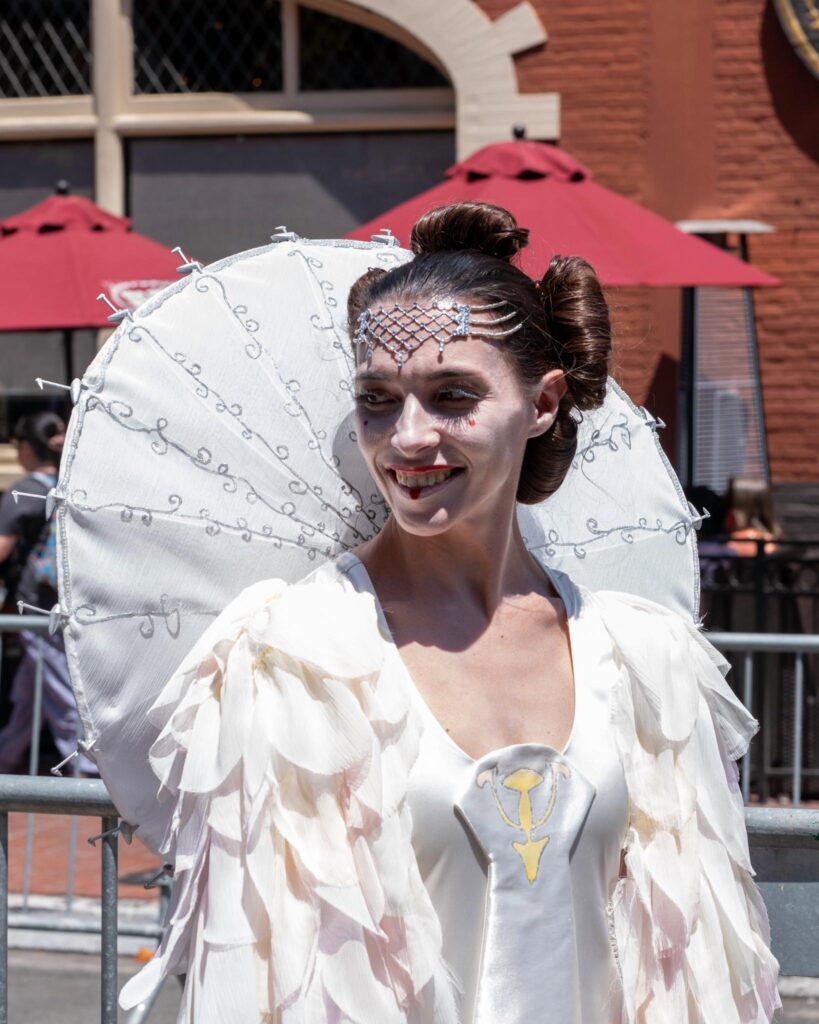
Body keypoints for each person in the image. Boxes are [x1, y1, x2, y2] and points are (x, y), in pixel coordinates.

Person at [120, 203, 780, 1022]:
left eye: (451, 395)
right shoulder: (293, 658)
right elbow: (270, 987)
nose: (407, 438)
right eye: (377, 399)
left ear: (541, 403)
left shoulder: (643, 658)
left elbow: (696, 977)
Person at [0, 413, 94, 775]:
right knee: (30, 695)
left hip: (35, 609)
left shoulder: (22, 492)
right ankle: (7, 756)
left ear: (26, 448)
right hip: (62, 603)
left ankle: (88, 770)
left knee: (58, 691)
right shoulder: (65, 486)